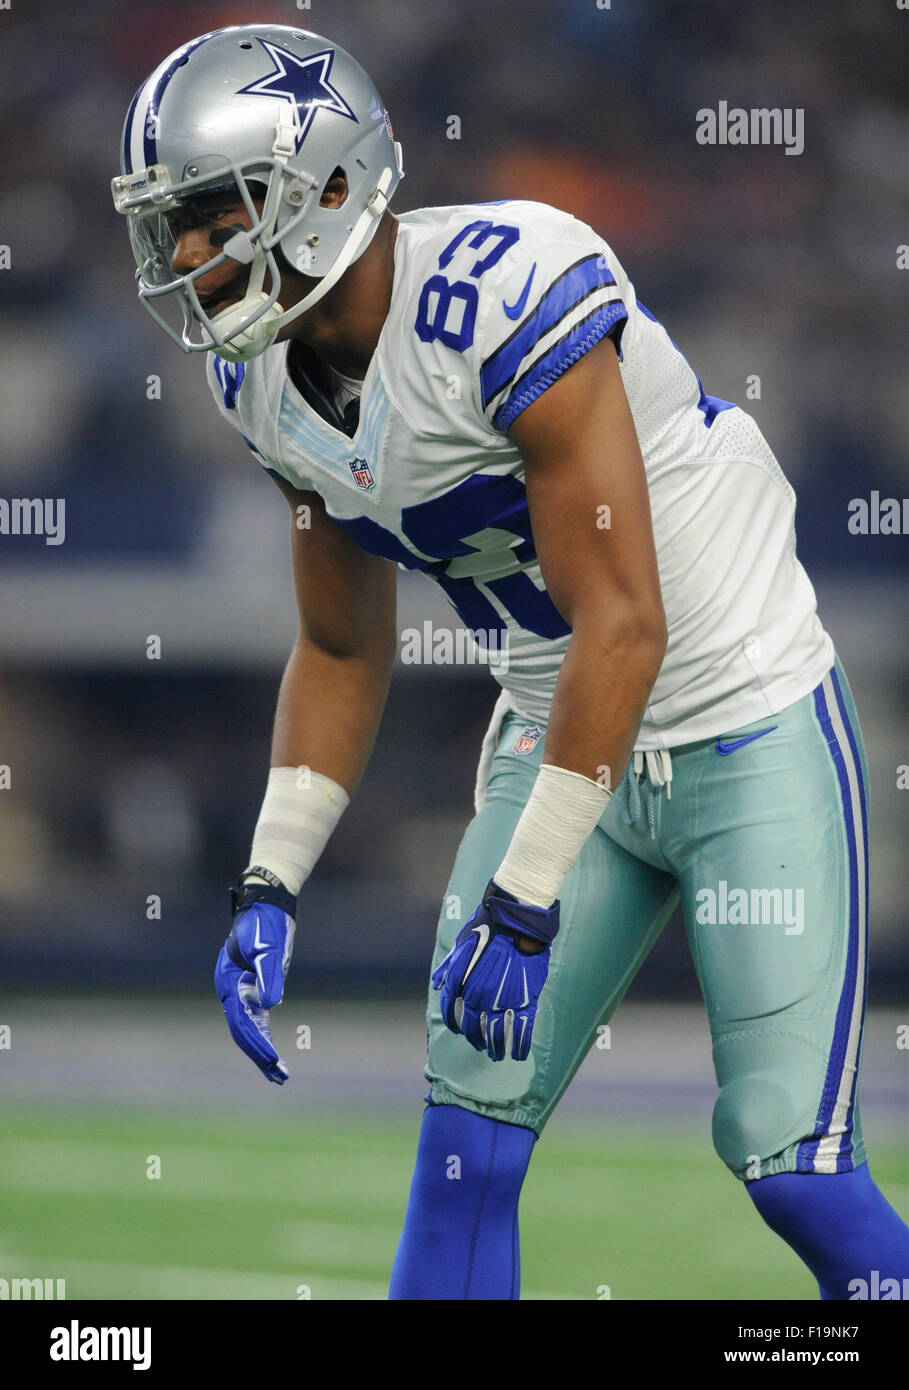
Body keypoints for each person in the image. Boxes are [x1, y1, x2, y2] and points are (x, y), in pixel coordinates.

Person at [113, 23, 908, 1300]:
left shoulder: (506, 296)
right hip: (559, 728)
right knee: (461, 1159)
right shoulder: (261, 386)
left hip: (737, 710)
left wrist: (525, 892)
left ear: (323, 188)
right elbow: (338, 641)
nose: (189, 255)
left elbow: (629, 624)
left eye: (213, 214)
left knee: (791, 1166)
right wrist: (272, 878)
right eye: (174, 225)